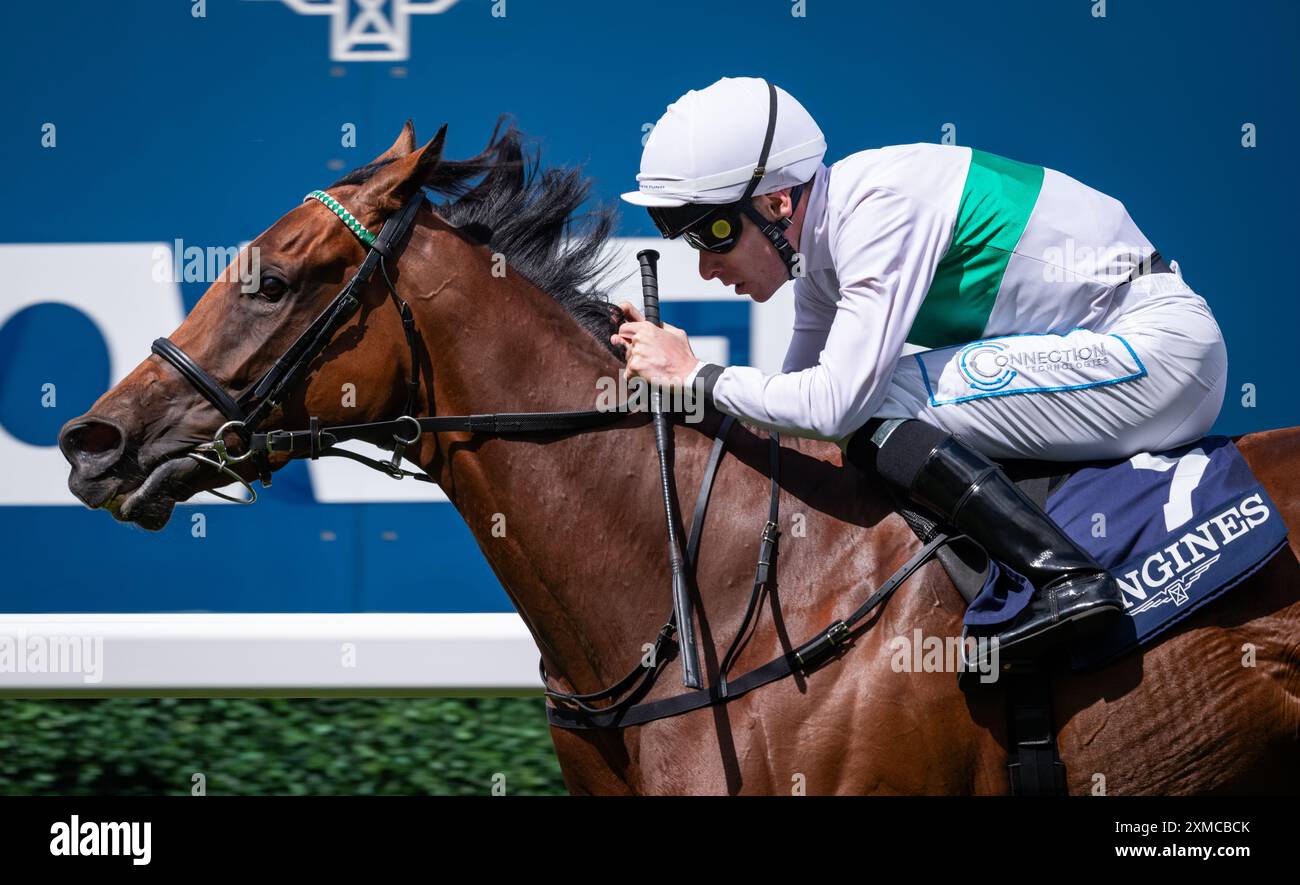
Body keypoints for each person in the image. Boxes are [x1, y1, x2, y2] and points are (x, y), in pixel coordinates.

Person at [613, 76, 1228, 664]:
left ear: (777, 202)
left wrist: (696, 375)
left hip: (1160, 351)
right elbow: (793, 422)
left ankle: (1064, 579)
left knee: (876, 399)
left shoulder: (878, 209)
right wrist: (676, 389)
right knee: (859, 408)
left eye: (711, 234)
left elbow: (835, 407)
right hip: (1117, 353)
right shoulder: (820, 260)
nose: (705, 269)